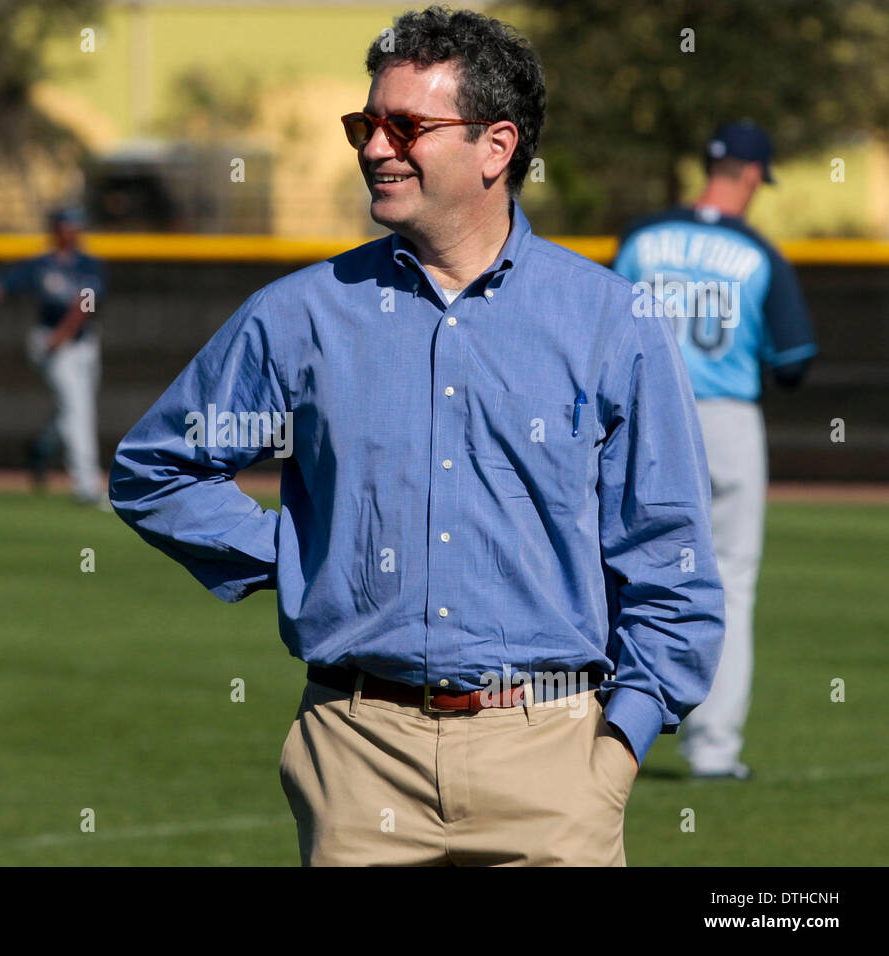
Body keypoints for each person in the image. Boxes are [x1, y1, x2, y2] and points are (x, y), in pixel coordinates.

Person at [110, 6, 725, 866]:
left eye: (404, 125)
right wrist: (295, 555)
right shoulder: (300, 315)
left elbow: (672, 560)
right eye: (365, 123)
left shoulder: (611, 322)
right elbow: (158, 468)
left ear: (496, 148)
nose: (372, 147)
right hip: (357, 758)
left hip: (553, 762)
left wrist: (616, 752)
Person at [613, 122, 818, 781]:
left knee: (622, 573)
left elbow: (604, 329)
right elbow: (794, 362)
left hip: (647, 417)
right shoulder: (757, 251)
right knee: (729, 584)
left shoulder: (643, 238)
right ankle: (714, 751)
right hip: (725, 423)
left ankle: (611, 735)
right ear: (754, 176)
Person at [0, 209, 108, 507]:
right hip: (50, 343)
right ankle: (86, 486)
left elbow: (86, 304)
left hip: (81, 343)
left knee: (71, 411)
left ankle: (41, 448)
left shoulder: (89, 264)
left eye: (75, 226)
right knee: (78, 410)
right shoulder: (41, 264)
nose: (70, 231)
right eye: (65, 226)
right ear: (55, 229)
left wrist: (64, 334)